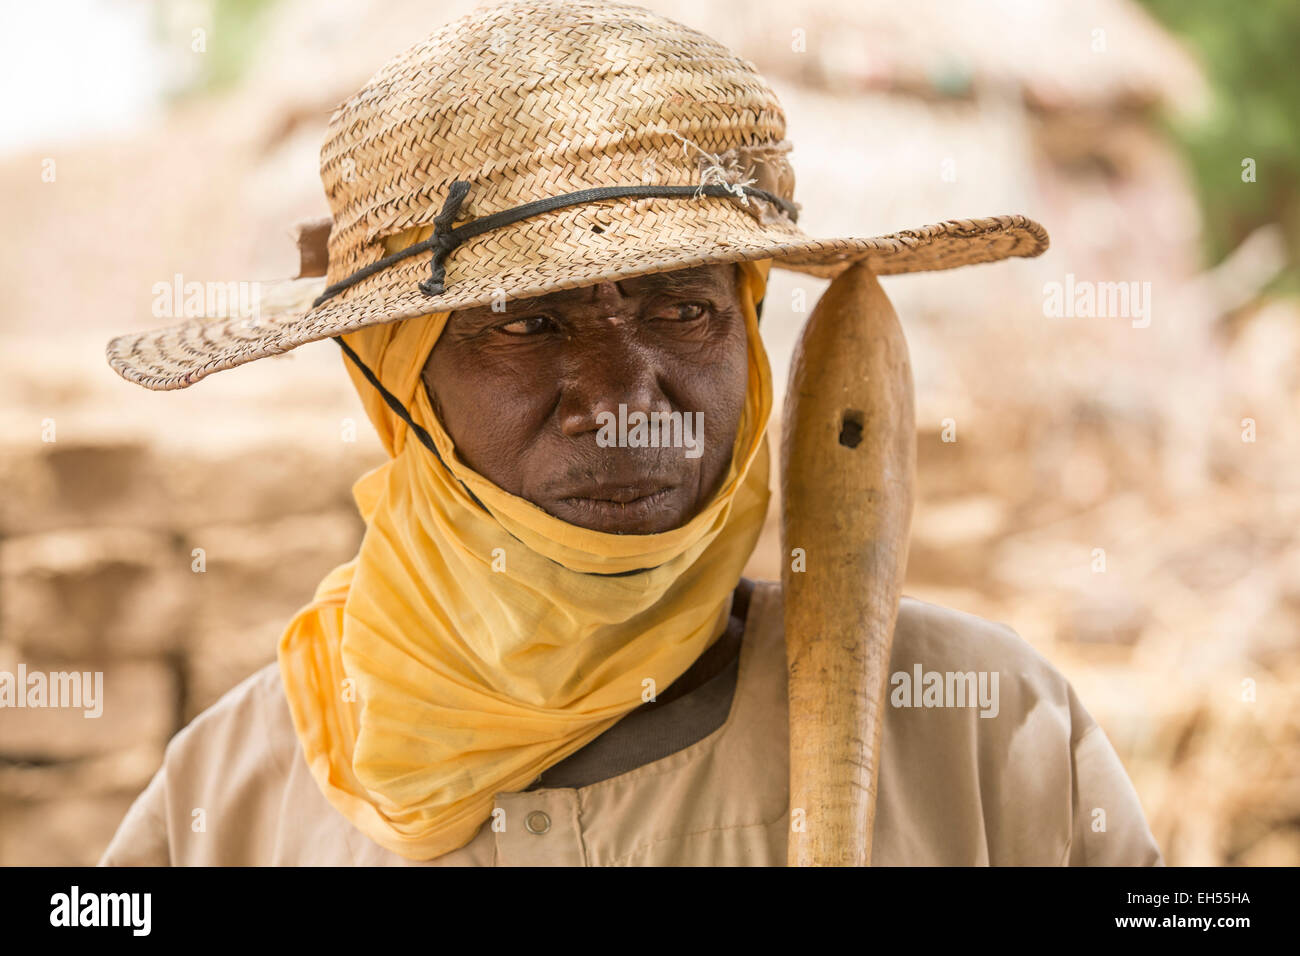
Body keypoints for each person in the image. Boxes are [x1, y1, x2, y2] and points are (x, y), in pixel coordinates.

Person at [99, 0, 1161, 866]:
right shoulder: (232, 796)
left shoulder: (982, 731)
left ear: (747, 330)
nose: (618, 396)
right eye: (526, 322)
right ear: (395, 382)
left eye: (681, 308)